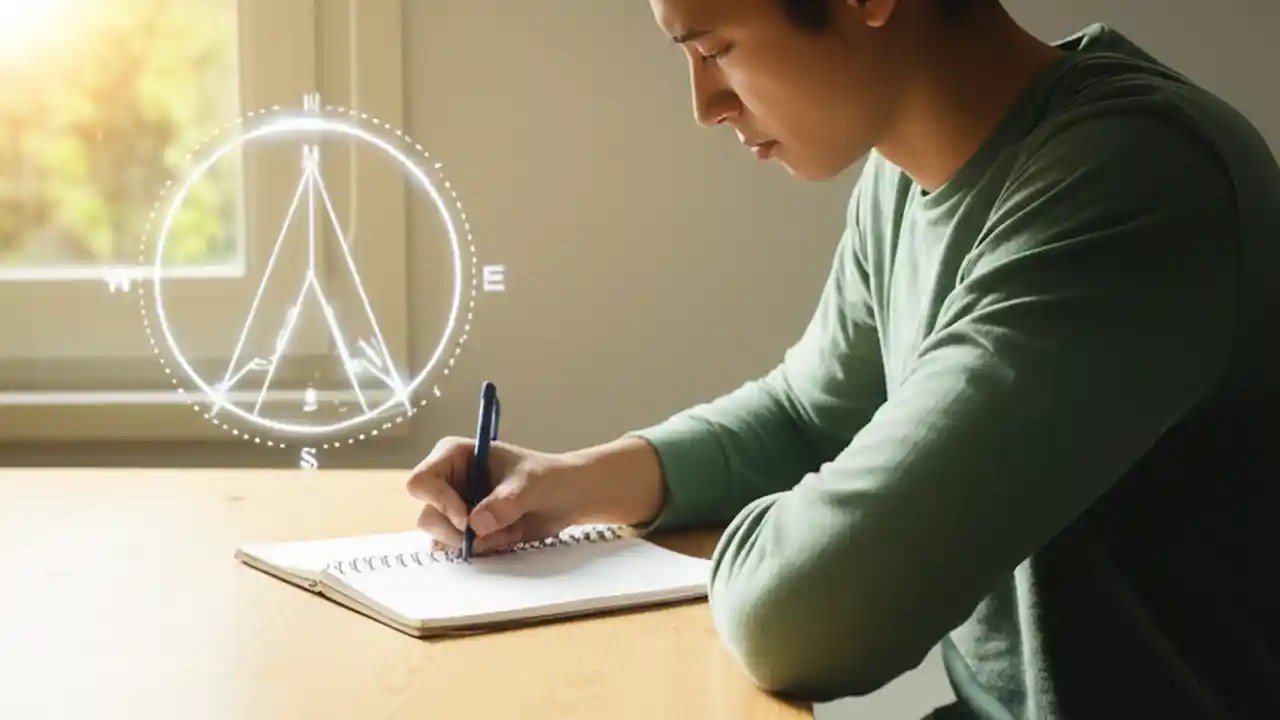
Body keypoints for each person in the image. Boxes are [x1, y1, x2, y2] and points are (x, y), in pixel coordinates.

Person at [407, 1, 1280, 717]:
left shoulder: (1133, 187)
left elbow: (803, 619)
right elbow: (809, 413)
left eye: (714, 48)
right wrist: (573, 482)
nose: (704, 104)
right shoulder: (907, 175)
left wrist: (787, 545)